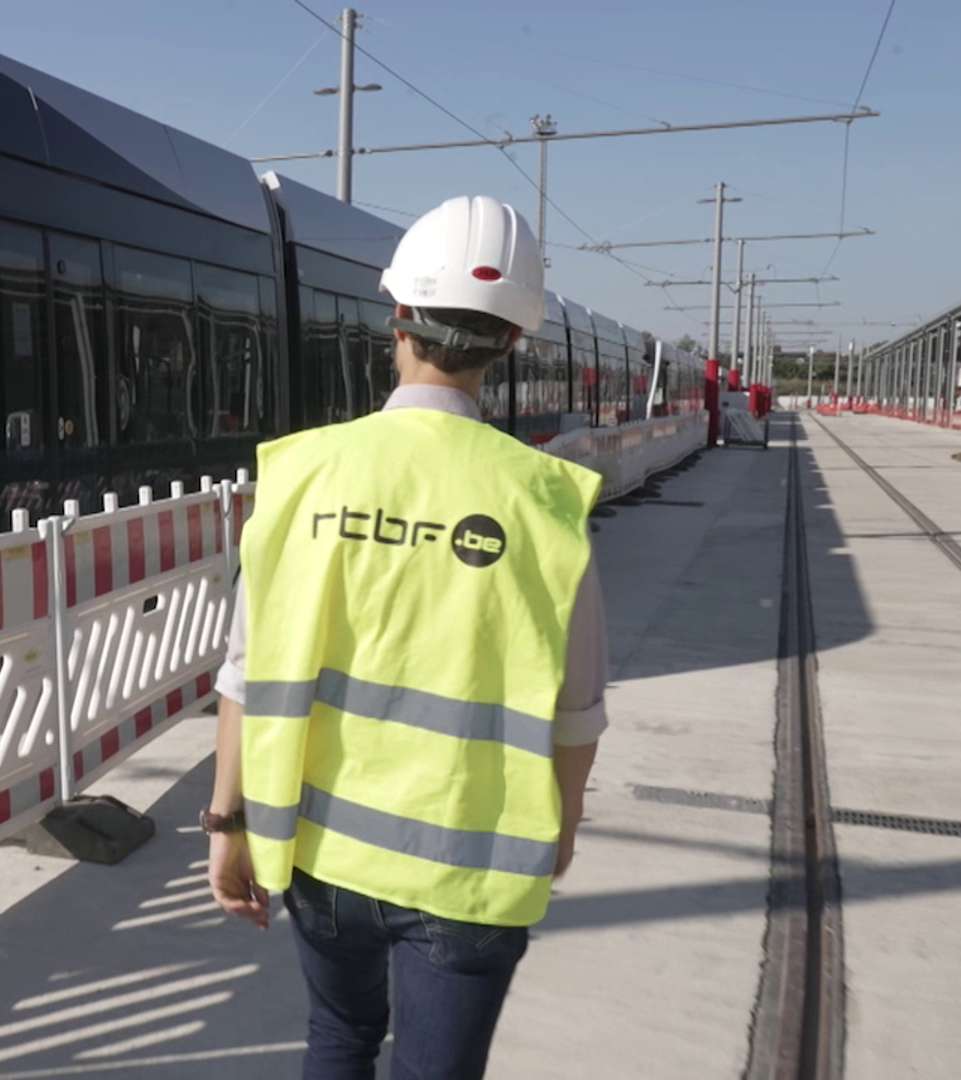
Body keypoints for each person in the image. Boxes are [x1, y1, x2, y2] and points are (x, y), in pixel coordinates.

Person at [203, 195, 610, 1080]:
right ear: (511, 342)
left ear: (395, 317)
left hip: (320, 857)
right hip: (473, 872)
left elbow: (245, 672)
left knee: (338, 1039)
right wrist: (562, 830)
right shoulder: (544, 501)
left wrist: (226, 824)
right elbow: (576, 711)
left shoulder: (301, 472)